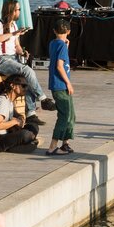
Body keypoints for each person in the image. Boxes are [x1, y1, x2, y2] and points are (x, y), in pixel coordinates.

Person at [0, 0, 49, 116]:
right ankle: (42, 98)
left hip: (13, 58)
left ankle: (31, 113)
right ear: (11, 11)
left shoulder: (14, 25)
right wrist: (13, 34)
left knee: (26, 78)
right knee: (27, 71)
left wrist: (22, 52)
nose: (19, 12)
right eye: (18, 10)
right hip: (1, 59)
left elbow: (16, 45)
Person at [0, 76, 39, 153]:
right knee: (26, 135)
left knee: (33, 126)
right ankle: (27, 143)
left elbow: (15, 114)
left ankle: (27, 143)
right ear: (13, 86)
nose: (25, 89)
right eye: (23, 86)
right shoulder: (3, 102)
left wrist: (20, 117)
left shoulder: (10, 100)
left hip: (4, 134)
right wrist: (16, 122)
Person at [46, 20, 76, 156]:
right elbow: (59, 66)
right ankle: (53, 146)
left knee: (71, 114)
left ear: (54, 31)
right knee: (64, 116)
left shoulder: (54, 43)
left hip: (57, 85)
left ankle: (65, 142)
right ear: (69, 32)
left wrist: (66, 47)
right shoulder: (62, 46)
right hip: (61, 85)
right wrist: (68, 83)